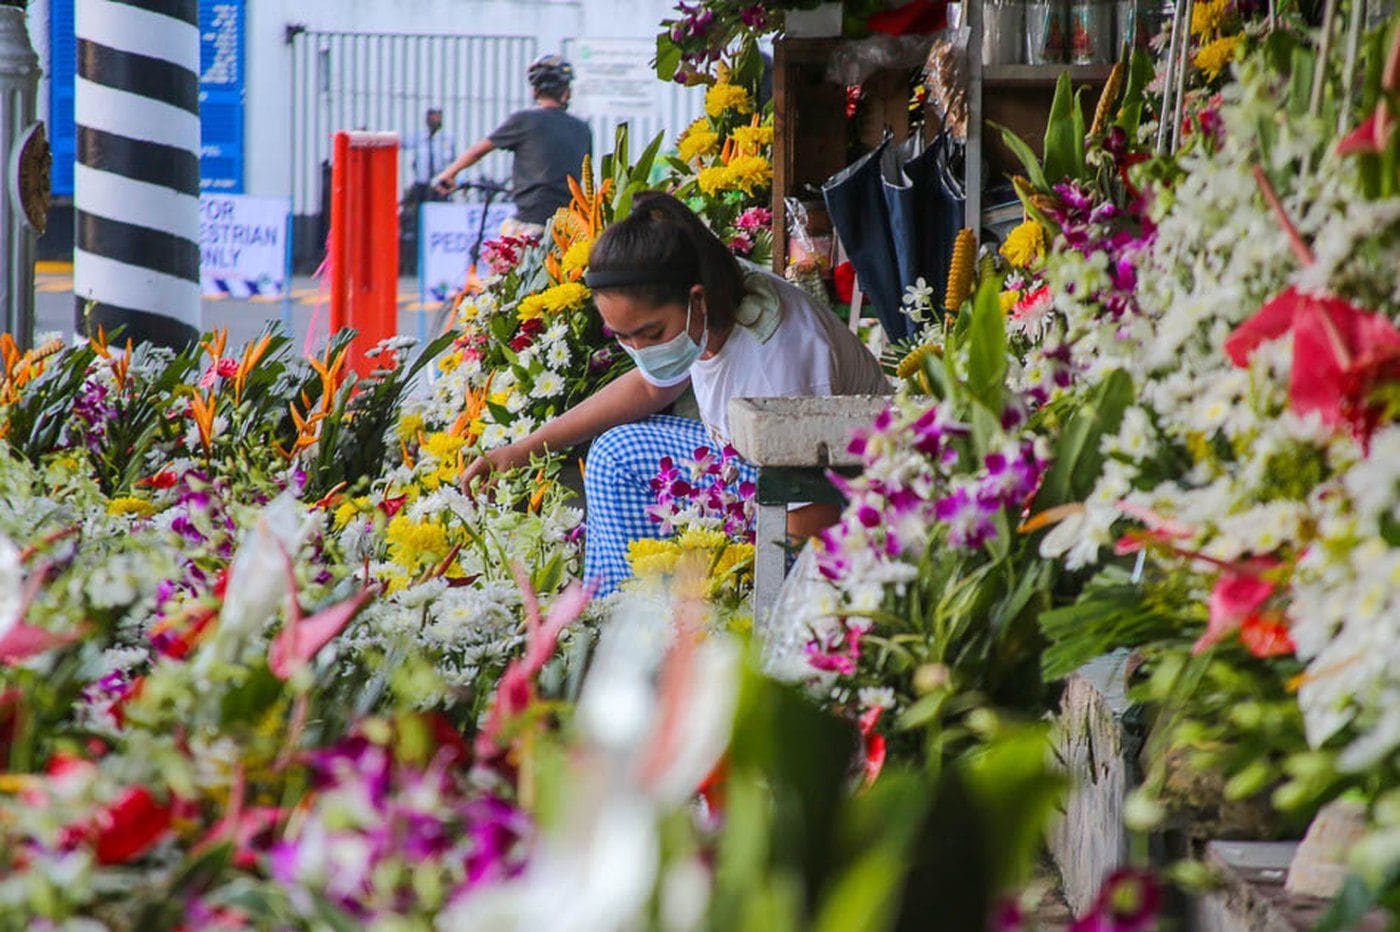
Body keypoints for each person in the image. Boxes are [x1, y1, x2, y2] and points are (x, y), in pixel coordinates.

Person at [462, 193, 891, 595]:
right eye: (623, 337)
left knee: (618, 456)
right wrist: (523, 450)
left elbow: (811, 516)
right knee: (618, 453)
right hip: (753, 469)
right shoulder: (715, 294)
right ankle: (621, 610)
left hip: (848, 506)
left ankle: (636, 617)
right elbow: (650, 384)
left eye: (650, 333)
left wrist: (726, 601)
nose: (639, 350)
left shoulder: (776, 362)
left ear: (696, 299)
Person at [433, 54, 592, 238]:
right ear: (567, 92)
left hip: (530, 221)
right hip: (568, 226)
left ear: (535, 92)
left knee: (501, 259)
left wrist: (448, 174)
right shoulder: (583, 129)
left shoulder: (525, 120)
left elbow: (478, 151)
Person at [411, 107, 457, 204]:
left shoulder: (447, 138)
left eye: (437, 116)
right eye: (432, 116)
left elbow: (452, 159)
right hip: (421, 182)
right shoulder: (419, 137)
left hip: (440, 182)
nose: (435, 119)